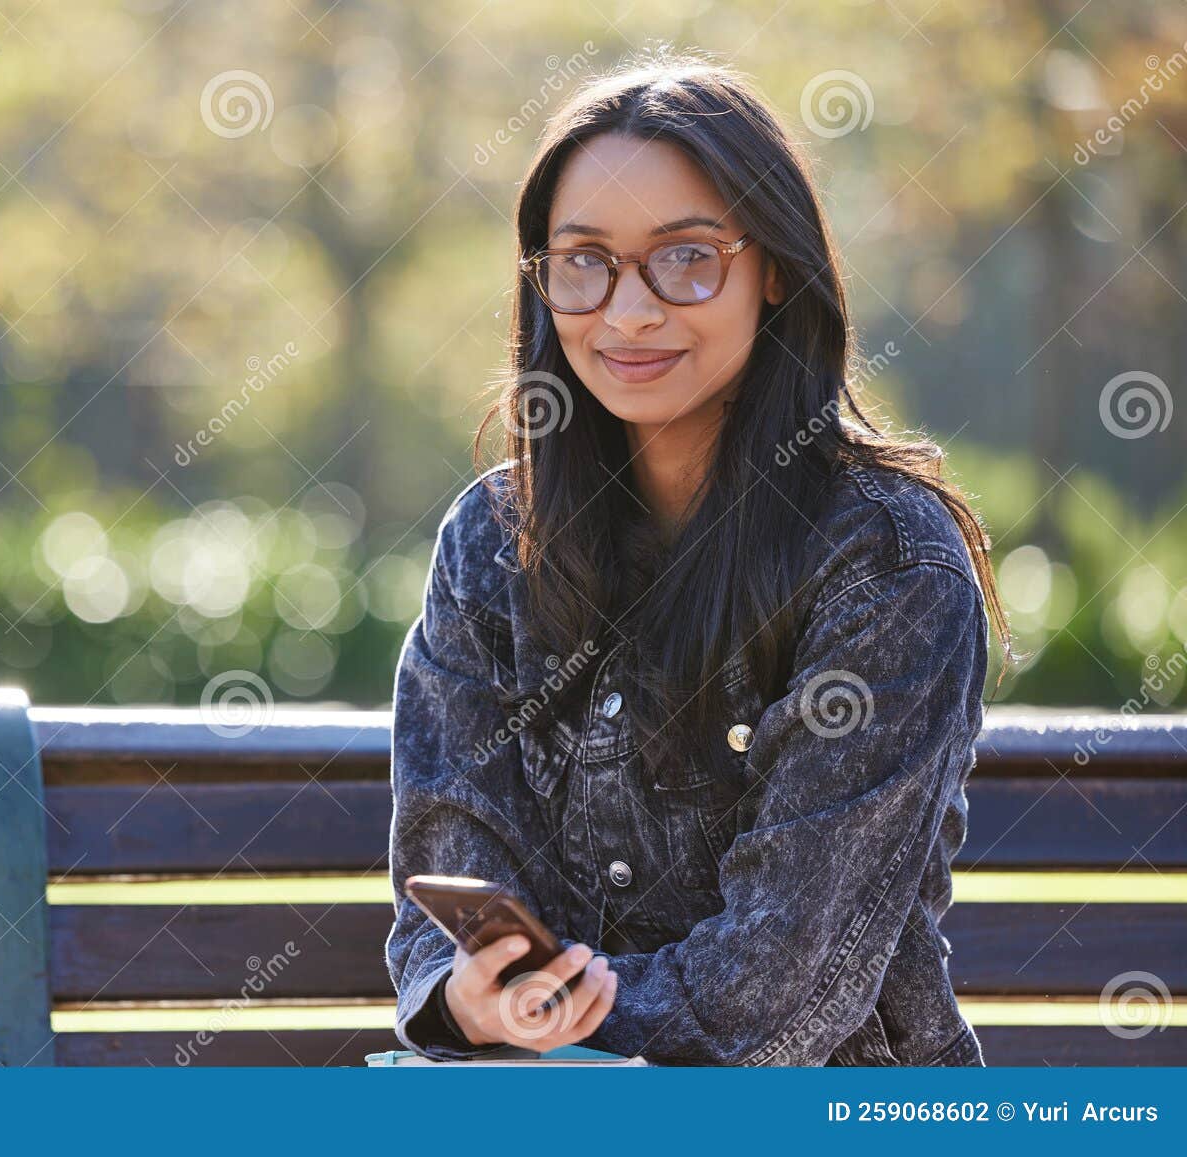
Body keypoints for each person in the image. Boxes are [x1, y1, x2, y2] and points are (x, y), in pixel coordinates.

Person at [384, 47, 1014, 1066]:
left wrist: (552, 1023)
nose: (627, 312)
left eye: (685, 257)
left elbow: (777, 992)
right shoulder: (490, 545)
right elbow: (446, 884)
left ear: (771, 268)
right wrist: (469, 1000)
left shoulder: (888, 564)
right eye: (583, 261)